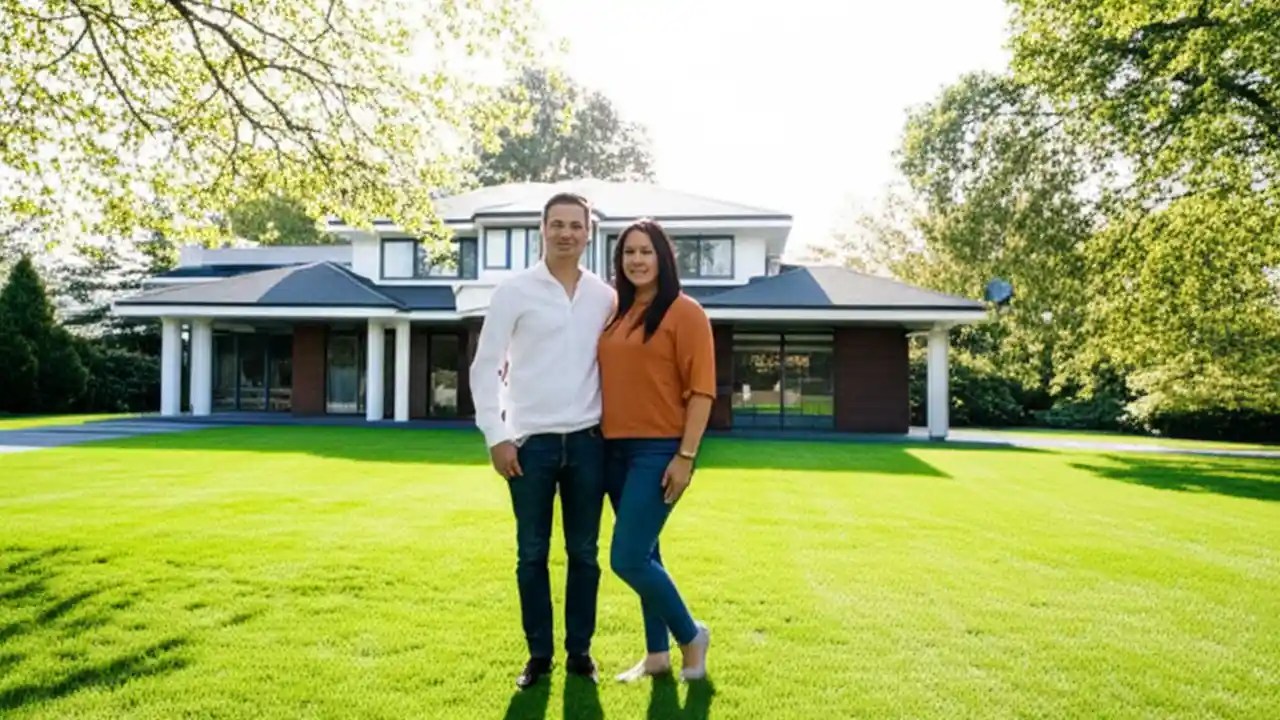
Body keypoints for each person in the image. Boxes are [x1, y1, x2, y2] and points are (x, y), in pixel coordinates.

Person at [469, 192, 616, 689]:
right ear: (542, 229)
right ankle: (538, 655)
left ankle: (580, 653)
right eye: (557, 224)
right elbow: (485, 366)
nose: (566, 233)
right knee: (531, 553)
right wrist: (497, 434)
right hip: (529, 444)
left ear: (589, 233)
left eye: (576, 225)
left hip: (588, 441)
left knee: (585, 553)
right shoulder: (513, 292)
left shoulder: (604, 296)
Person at [597, 218, 715, 683]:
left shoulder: (685, 313)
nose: (637, 260)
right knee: (648, 554)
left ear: (663, 258)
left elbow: (701, 391)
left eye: (646, 252)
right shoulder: (617, 313)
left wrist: (684, 457)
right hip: (613, 451)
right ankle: (657, 656)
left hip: (660, 450)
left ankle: (691, 636)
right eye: (629, 253)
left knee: (627, 558)